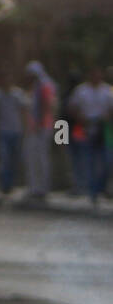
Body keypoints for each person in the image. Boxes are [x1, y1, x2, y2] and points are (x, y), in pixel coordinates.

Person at [67, 65, 111, 207]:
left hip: (103, 130)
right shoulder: (81, 91)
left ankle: (100, 188)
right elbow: (72, 108)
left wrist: (107, 117)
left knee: (105, 161)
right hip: (85, 129)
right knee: (88, 161)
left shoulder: (108, 91)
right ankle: (92, 192)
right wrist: (81, 118)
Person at [22, 61, 56, 201]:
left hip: (41, 127)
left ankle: (42, 188)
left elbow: (47, 106)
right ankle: (35, 187)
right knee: (32, 158)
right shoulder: (36, 86)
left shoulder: (44, 85)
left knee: (40, 159)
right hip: (35, 127)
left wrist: (39, 124)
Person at [0, 71, 25, 198]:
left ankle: (12, 184)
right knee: (4, 159)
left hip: (16, 131)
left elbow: (23, 112)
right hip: (3, 131)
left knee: (14, 159)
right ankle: (5, 185)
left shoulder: (18, 95)